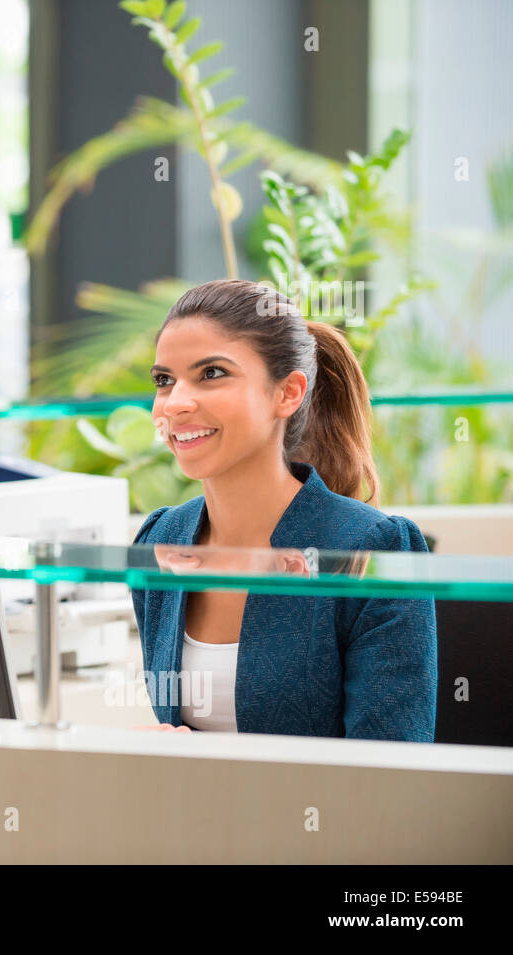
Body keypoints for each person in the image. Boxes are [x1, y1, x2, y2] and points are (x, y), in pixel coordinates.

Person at [128, 280, 437, 741]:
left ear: (288, 393)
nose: (175, 404)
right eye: (164, 380)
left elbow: (390, 779)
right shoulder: (161, 541)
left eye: (211, 373)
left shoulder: (371, 547)